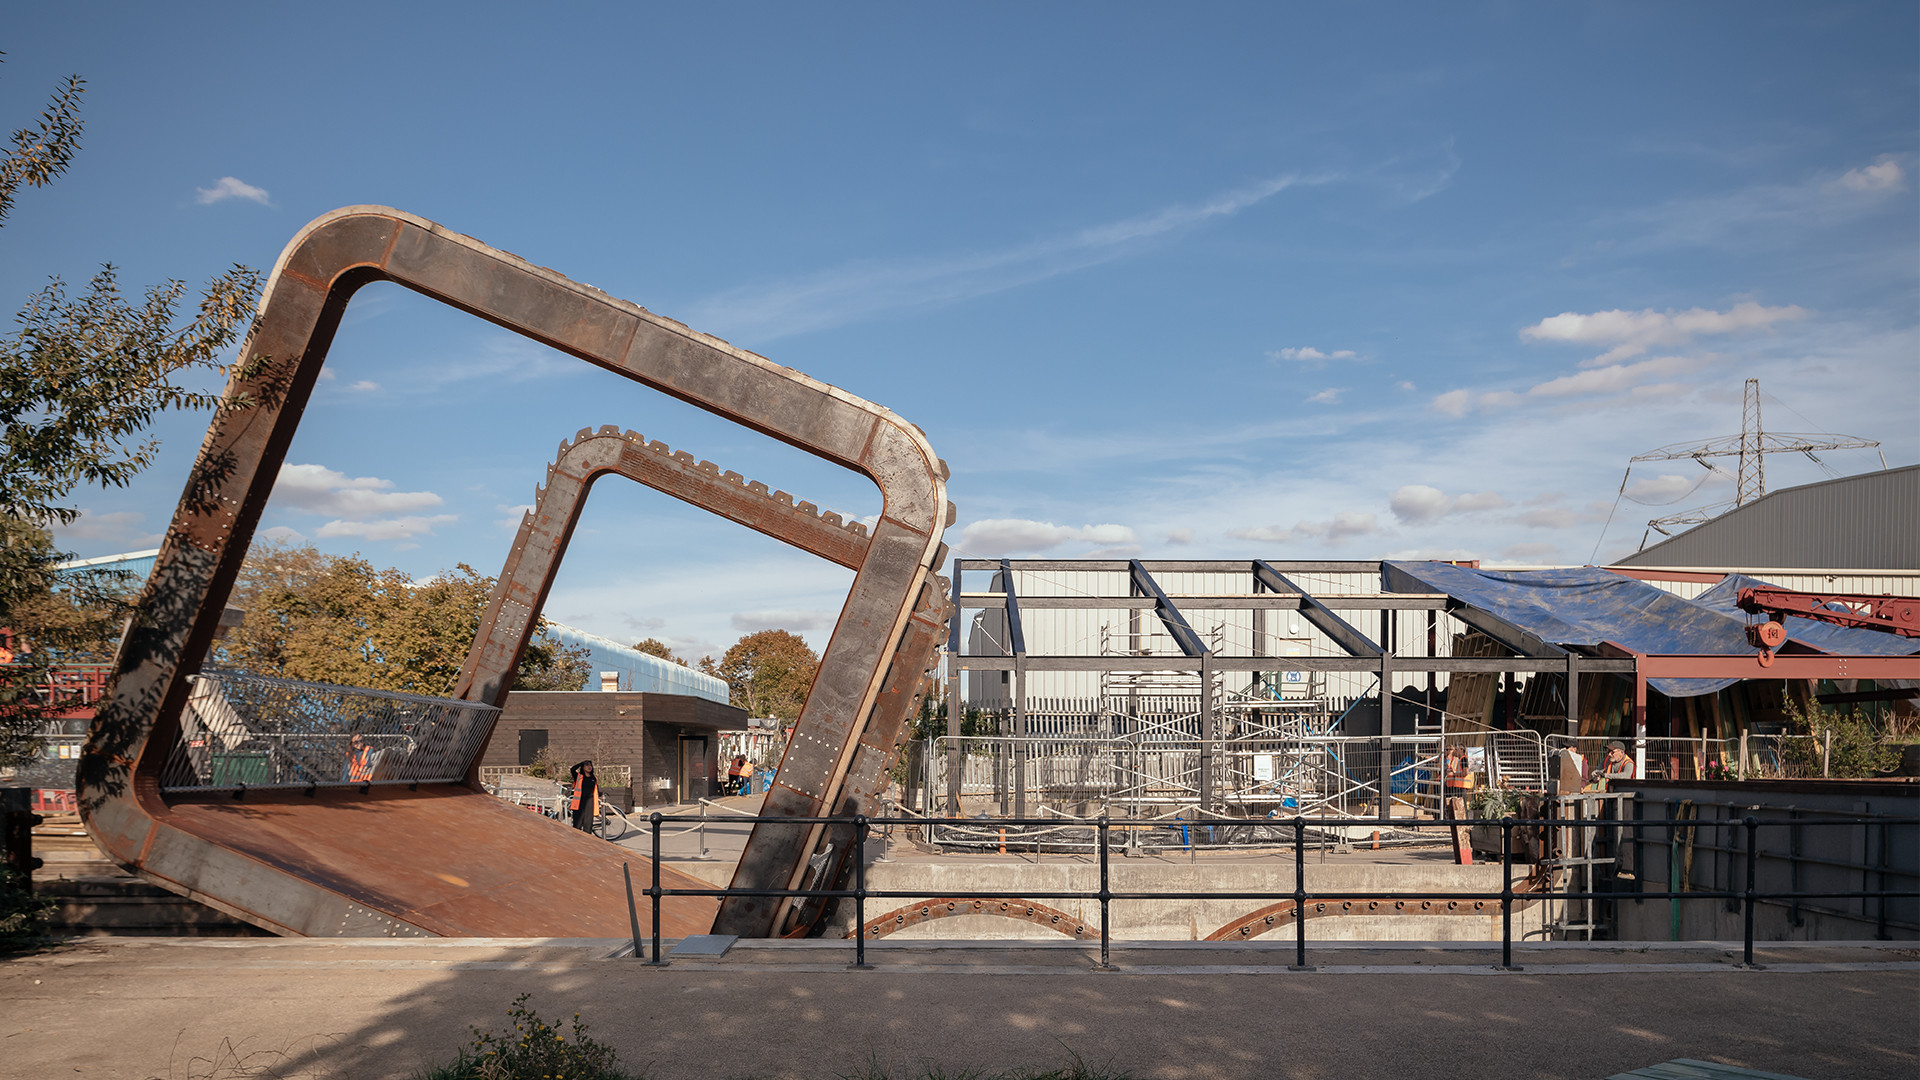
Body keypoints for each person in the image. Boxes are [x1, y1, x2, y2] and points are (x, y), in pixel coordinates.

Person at [568, 760, 598, 831]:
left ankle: (587, 837)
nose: (589, 767)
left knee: (588, 825)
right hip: (579, 803)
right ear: (583, 767)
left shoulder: (594, 778)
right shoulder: (578, 777)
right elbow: (572, 769)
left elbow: (596, 790)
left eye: (590, 765)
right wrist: (581, 763)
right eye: (587, 765)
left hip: (589, 803)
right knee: (577, 825)